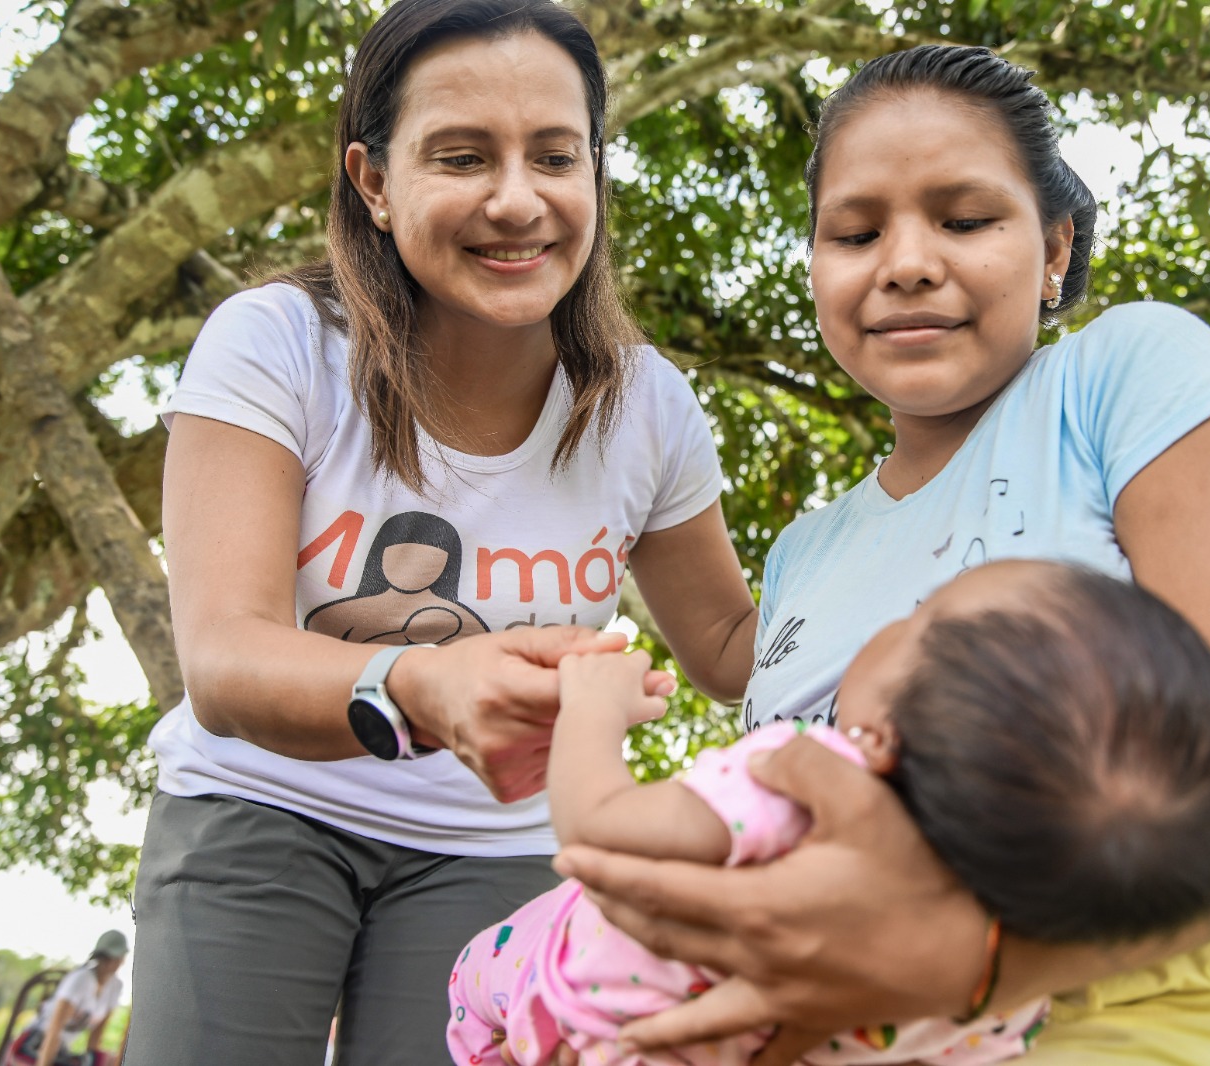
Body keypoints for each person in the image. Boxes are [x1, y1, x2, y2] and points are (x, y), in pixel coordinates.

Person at [555, 44, 1210, 1066]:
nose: (906, 262)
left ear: (1054, 250)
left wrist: (973, 961)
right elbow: (712, 648)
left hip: (1178, 993)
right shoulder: (802, 551)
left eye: (964, 220)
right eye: (855, 233)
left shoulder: (1124, 374)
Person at [127, 1, 757, 1064]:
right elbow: (223, 659)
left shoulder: (647, 405)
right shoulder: (276, 344)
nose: (517, 200)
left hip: (496, 851)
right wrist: (421, 684)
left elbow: (735, 652)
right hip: (259, 805)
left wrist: (928, 542)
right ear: (373, 181)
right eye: (462, 157)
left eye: (554, 156)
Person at [448, 559, 1210, 1066]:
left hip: (557, 1009)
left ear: (878, 736)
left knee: (478, 975)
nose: (895, 620)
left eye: (918, 618)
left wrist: (593, 706)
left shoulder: (798, 785)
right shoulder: (1008, 1002)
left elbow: (597, 837)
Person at [9, 930, 127, 1066]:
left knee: (107, 1060)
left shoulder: (115, 986)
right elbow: (54, 1030)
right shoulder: (81, 979)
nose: (111, 963)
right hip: (36, 1044)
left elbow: (96, 1036)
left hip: (61, 1051)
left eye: (116, 958)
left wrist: (93, 1061)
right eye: (107, 958)